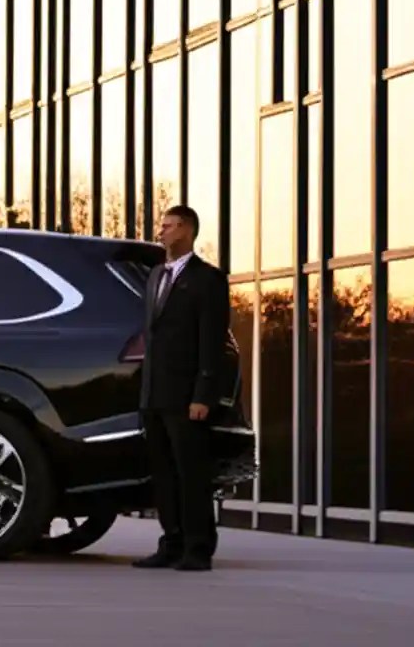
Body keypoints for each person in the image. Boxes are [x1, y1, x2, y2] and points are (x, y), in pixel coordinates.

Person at [132, 204, 230, 572]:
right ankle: (170, 543)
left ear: (187, 230)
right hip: (155, 394)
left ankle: (198, 548)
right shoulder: (156, 276)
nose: (161, 232)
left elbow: (211, 341)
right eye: (161, 226)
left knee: (192, 475)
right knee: (164, 475)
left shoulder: (208, 279)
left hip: (187, 396)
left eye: (168, 226)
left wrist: (203, 395)